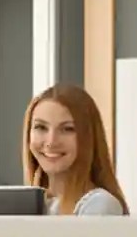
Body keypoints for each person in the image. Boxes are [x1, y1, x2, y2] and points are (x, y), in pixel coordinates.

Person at [22, 84, 129, 216]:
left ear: (89, 137)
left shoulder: (100, 205)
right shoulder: (30, 205)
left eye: (67, 129)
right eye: (41, 127)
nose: (51, 142)